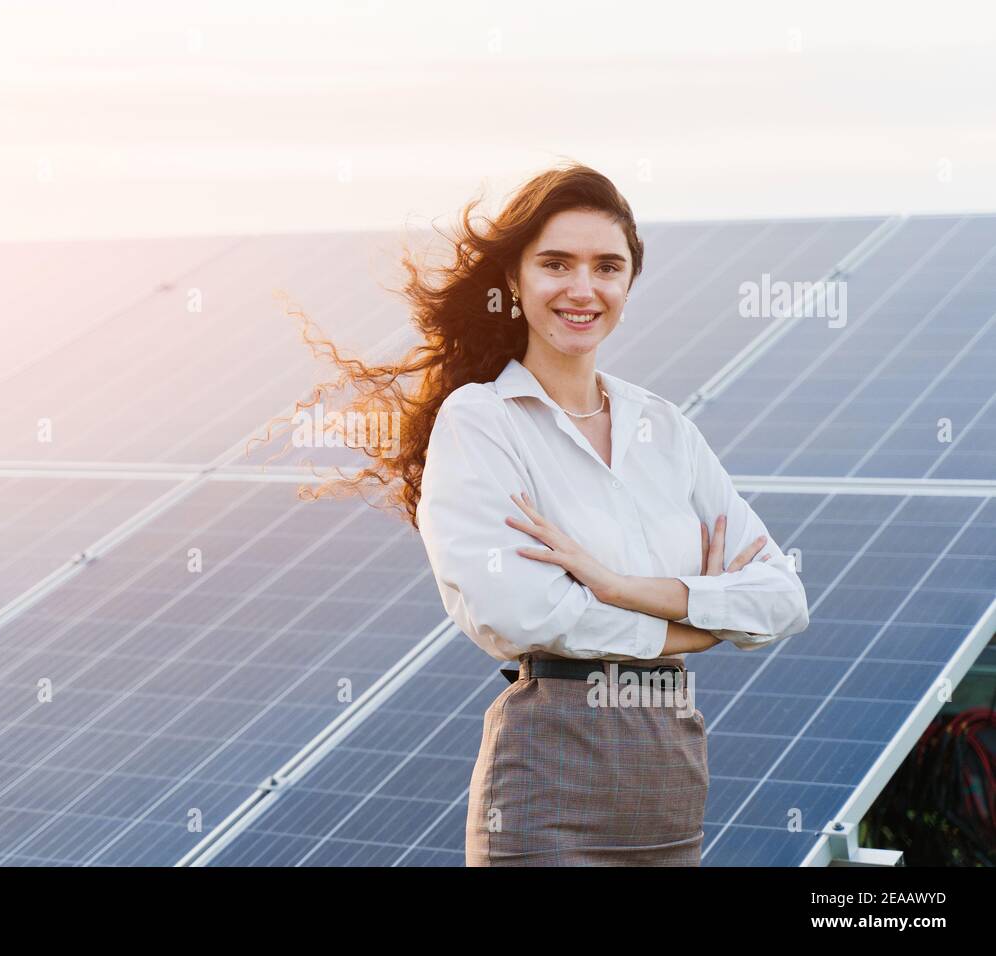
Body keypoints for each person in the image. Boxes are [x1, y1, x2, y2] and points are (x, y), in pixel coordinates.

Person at [260, 162, 810, 866]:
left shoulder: (667, 430)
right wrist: (697, 628)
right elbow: (521, 613)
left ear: (628, 285)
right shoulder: (481, 422)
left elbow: (784, 598)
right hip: (549, 783)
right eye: (556, 264)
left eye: (607, 267)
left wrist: (618, 587)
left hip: (670, 779)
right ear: (514, 282)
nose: (583, 289)